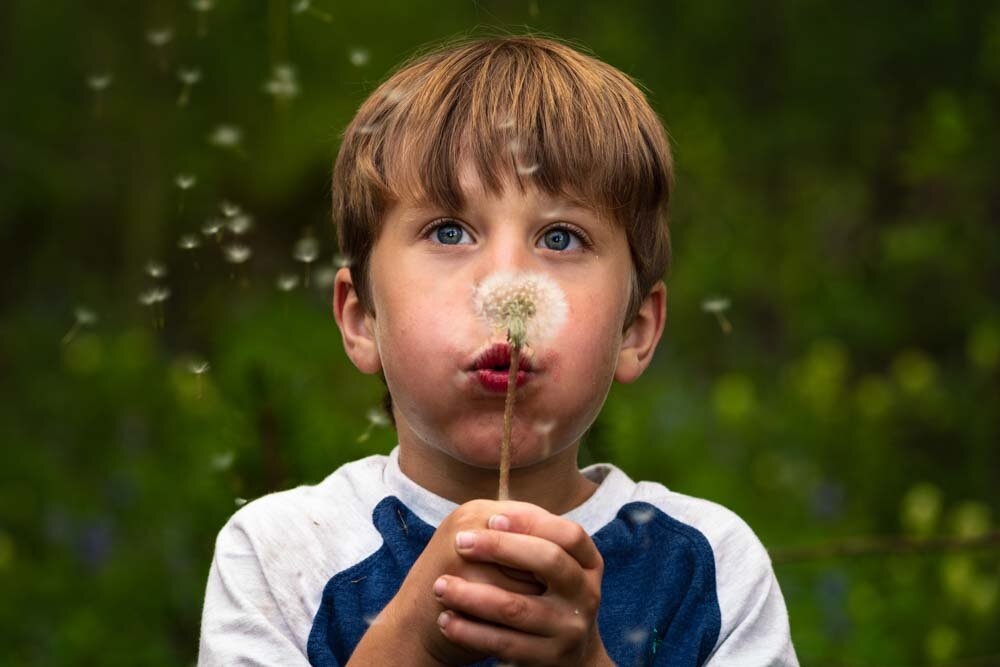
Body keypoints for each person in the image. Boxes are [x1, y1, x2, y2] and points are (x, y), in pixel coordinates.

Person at [198, 34, 799, 666]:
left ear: (636, 329)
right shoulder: (281, 557)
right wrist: (415, 638)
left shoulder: (708, 569)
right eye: (449, 231)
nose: (506, 279)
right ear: (360, 318)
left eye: (561, 238)